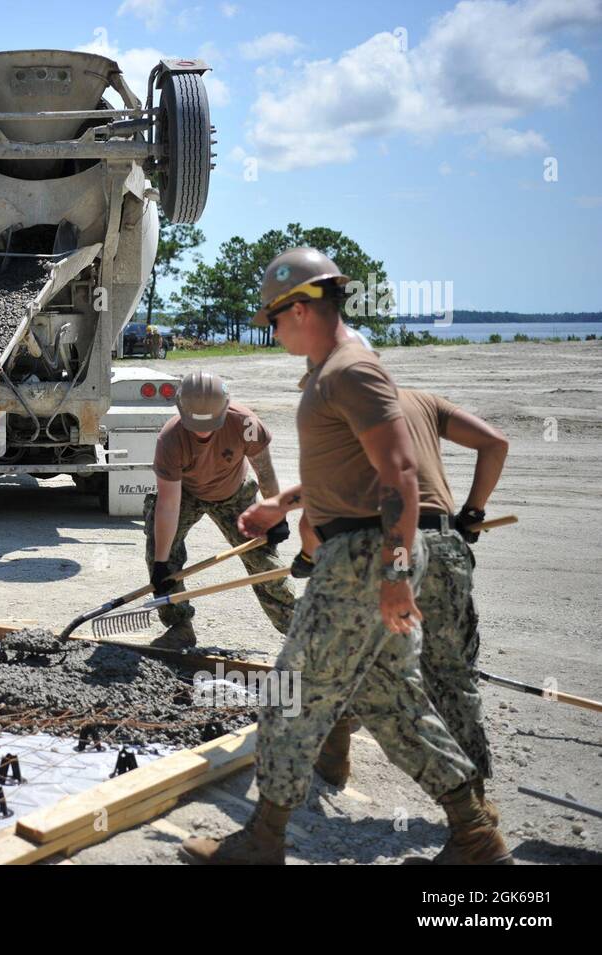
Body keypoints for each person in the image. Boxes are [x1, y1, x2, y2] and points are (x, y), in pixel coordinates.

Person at [179, 247, 509, 865]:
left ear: (301, 307)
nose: (269, 330)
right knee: (388, 698)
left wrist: (395, 575)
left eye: (273, 319)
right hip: (360, 552)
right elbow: (354, 475)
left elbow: (401, 475)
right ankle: (474, 832)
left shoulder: (349, 371)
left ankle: (262, 840)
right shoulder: (333, 373)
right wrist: (283, 504)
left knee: (291, 689)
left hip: (361, 560)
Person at [312, 386, 507, 826]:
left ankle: (333, 756)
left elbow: (315, 509)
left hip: (382, 545)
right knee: (454, 676)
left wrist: (309, 558)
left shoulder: (336, 408)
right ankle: (476, 806)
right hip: (441, 545)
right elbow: (496, 443)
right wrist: (473, 513)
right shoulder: (422, 400)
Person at [143, 370, 296, 649]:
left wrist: (277, 516)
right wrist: (162, 562)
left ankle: (301, 634)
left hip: (234, 492)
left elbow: (266, 474)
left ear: (225, 409)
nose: (202, 431)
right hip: (185, 494)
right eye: (195, 425)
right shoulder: (170, 439)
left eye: (211, 423)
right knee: (159, 554)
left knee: (264, 563)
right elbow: (168, 504)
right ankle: (179, 627)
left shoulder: (246, 423)